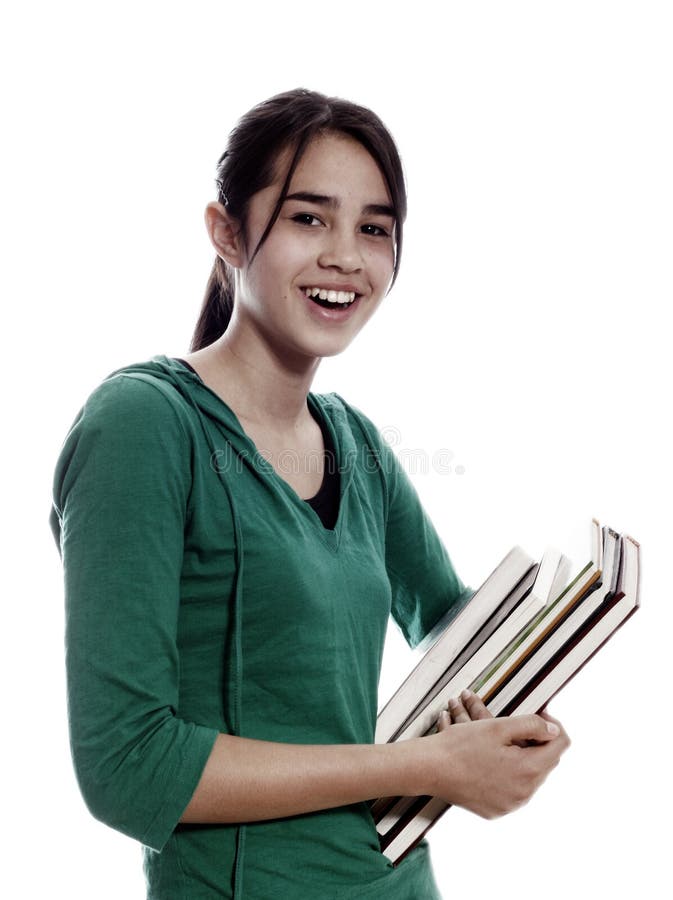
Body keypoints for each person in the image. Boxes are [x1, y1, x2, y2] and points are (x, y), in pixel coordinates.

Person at [50, 88, 569, 899]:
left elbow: (448, 623)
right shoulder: (145, 425)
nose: (345, 257)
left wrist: (535, 681)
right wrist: (425, 765)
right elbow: (127, 766)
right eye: (307, 218)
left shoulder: (353, 443)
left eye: (373, 228)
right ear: (226, 232)